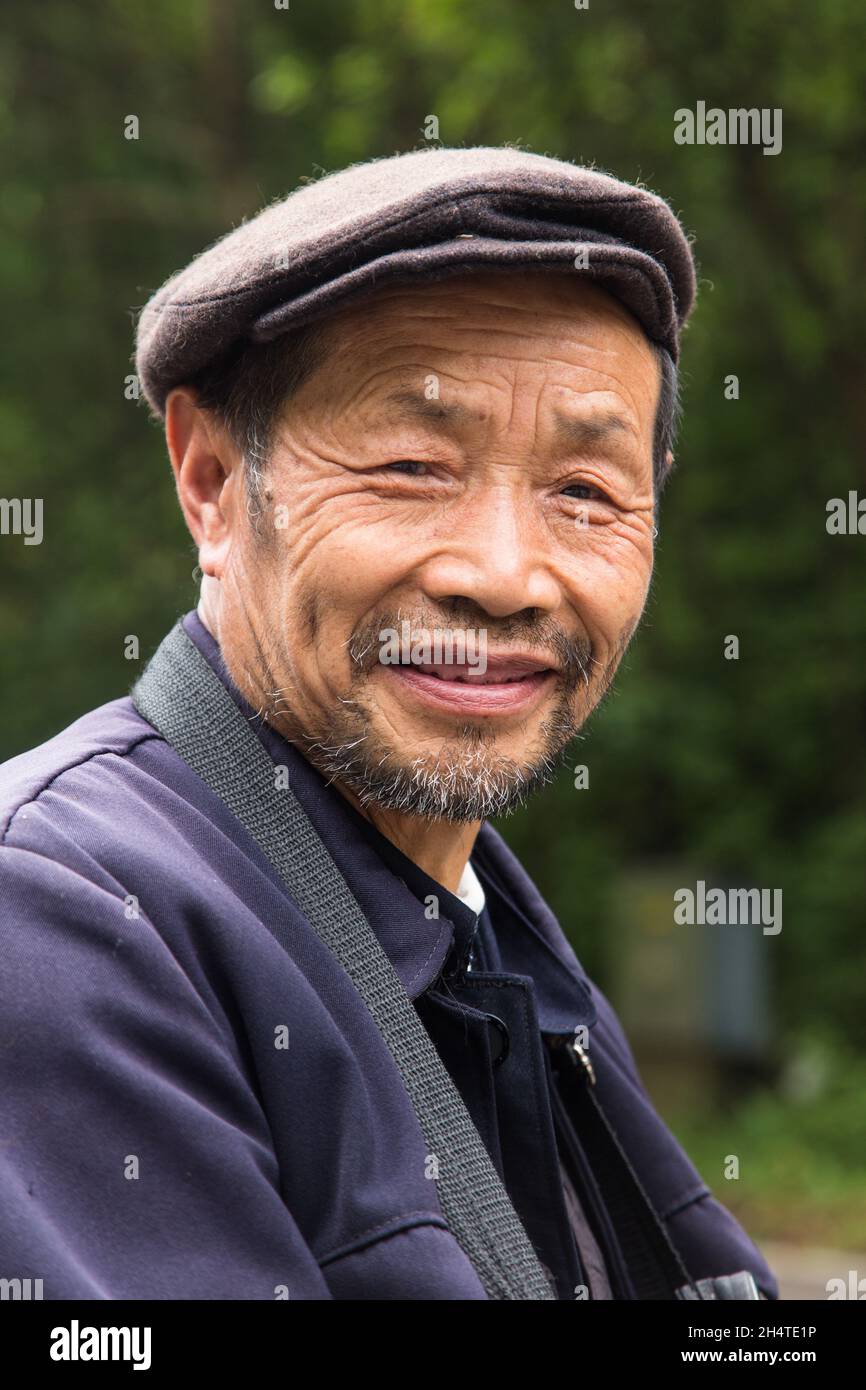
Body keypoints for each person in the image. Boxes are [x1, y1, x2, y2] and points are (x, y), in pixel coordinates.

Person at [0, 146, 778, 1300]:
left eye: (584, 492)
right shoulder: (64, 926)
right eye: (412, 465)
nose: (507, 575)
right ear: (212, 482)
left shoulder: (493, 946)